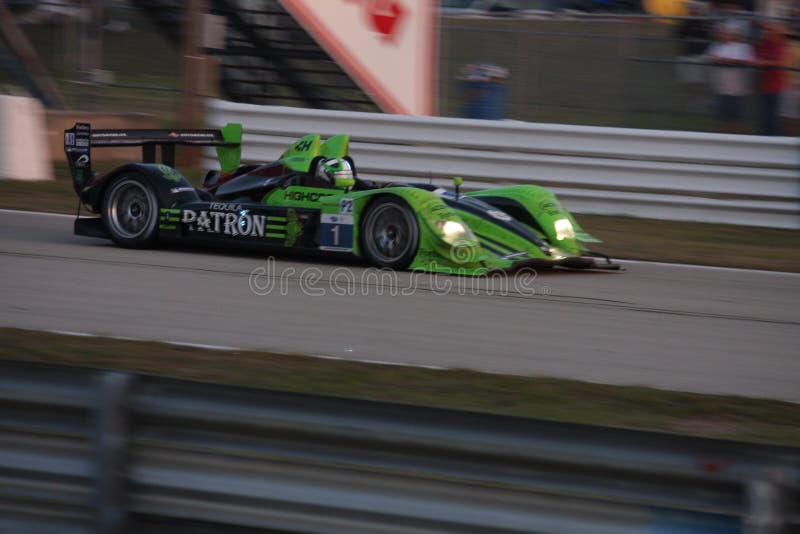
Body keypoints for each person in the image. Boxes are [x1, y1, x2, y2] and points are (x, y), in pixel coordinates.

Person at [705, 23, 755, 133]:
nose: (724, 35)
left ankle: (735, 132)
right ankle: (721, 133)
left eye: (728, 33)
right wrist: (725, 60)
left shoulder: (744, 47)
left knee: (736, 114)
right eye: (723, 33)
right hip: (722, 87)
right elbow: (712, 58)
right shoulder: (720, 46)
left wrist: (726, 60)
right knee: (721, 113)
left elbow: (747, 61)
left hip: (738, 88)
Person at [754, 21, 791, 136]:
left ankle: (773, 136)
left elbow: (780, 62)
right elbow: (756, 60)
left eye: (771, 30)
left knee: (773, 114)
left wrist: (765, 62)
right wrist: (765, 62)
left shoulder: (781, 44)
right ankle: (766, 135)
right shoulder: (763, 44)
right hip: (765, 84)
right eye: (766, 30)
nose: (767, 32)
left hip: (777, 85)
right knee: (766, 113)